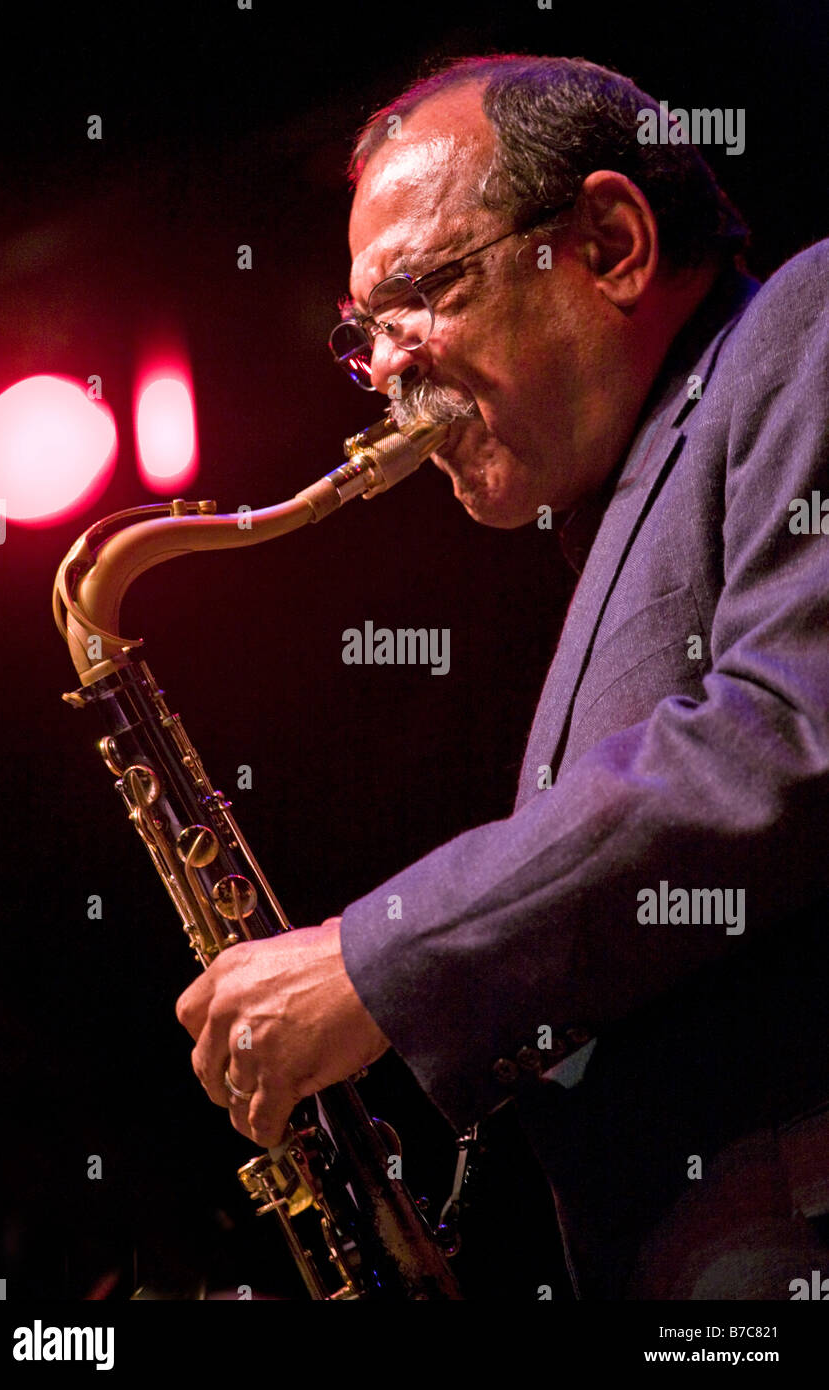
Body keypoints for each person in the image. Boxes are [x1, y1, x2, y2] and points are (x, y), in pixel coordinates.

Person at [176, 55, 829, 1299]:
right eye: (362, 335)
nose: (385, 369)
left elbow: (787, 730)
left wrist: (377, 954)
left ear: (610, 241)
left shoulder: (807, 318)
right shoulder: (610, 507)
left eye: (420, 291)